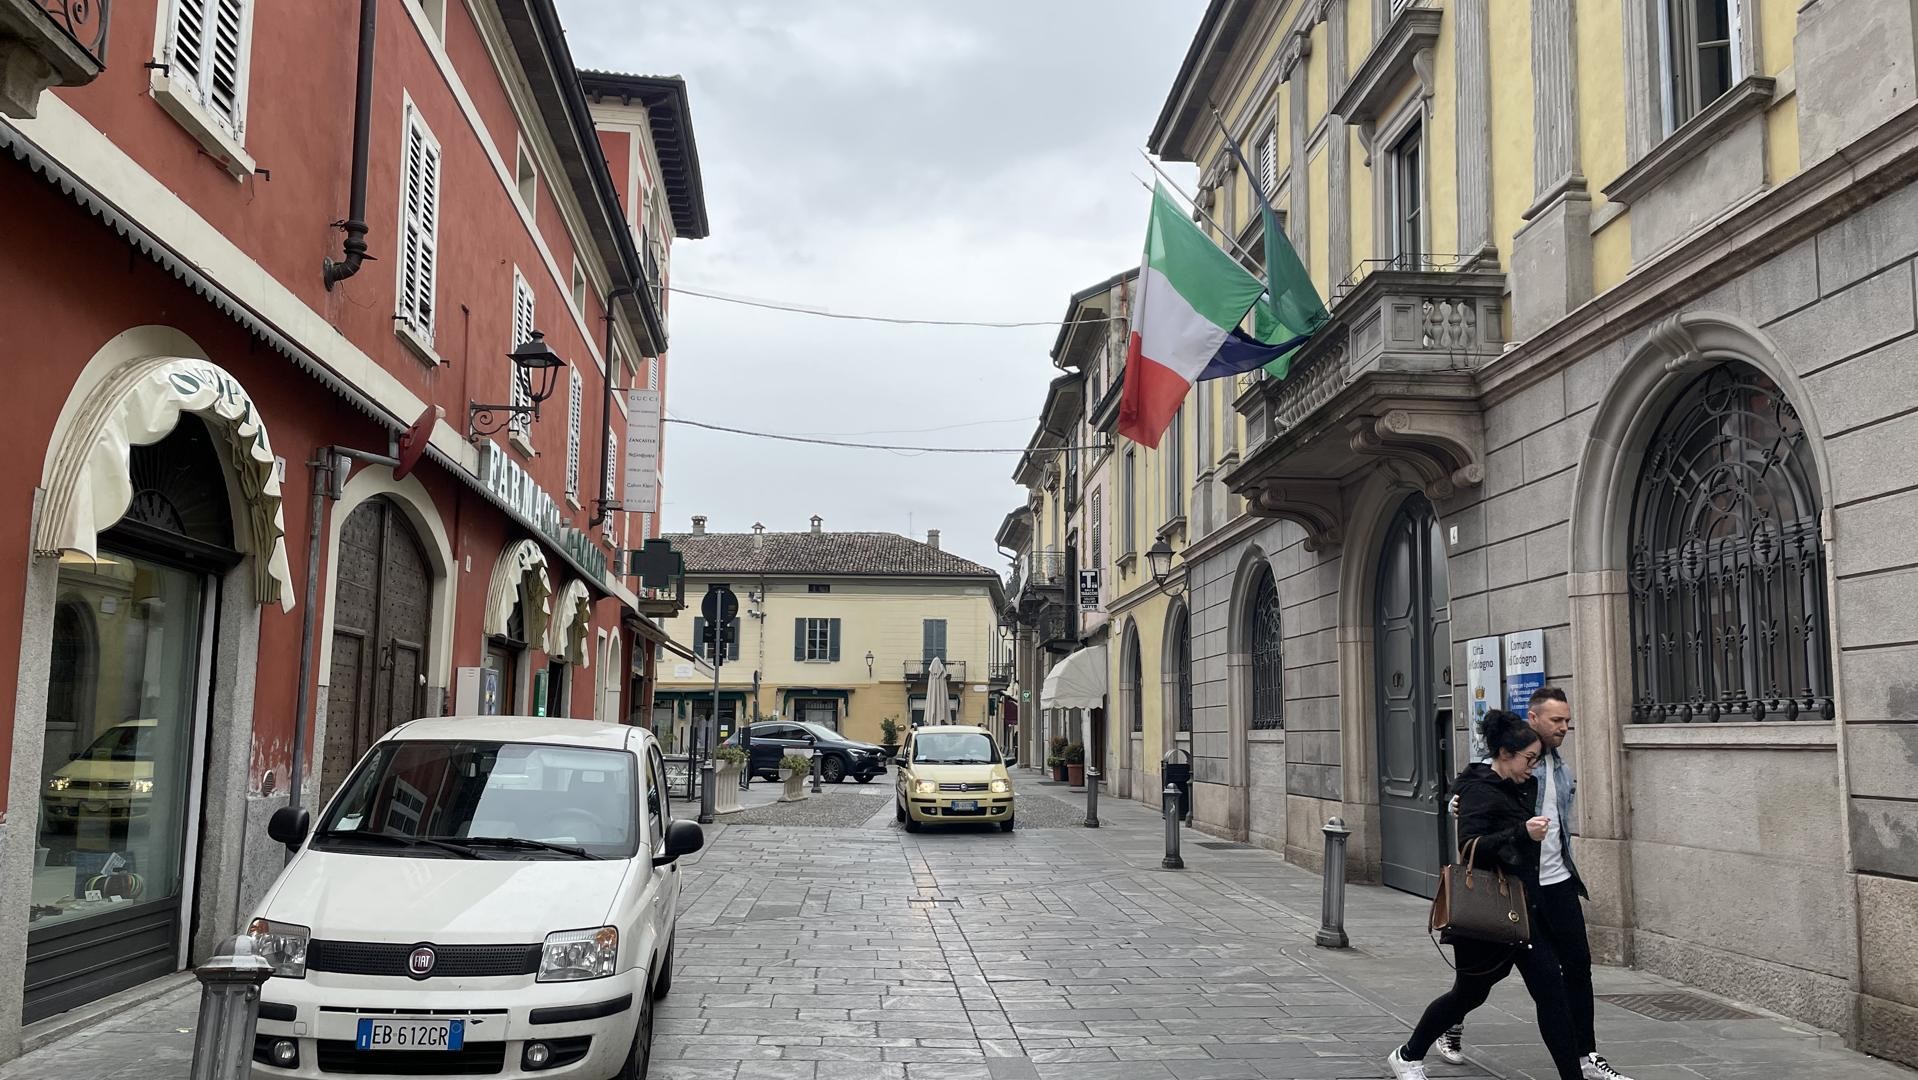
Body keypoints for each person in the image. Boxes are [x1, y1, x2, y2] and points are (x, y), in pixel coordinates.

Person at [1436, 687, 1634, 1080]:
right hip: (1517, 885)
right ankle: (1451, 1025)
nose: (1564, 727)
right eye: (1556, 720)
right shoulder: (1513, 762)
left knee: (1577, 965)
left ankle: (1586, 1055)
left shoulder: (1558, 766)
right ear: (1533, 719)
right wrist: (1456, 802)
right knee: (1483, 976)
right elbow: (1472, 789)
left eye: (1567, 719)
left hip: (1557, 880)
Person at [1386, 709, 1581, 1080]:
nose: (1533, 767)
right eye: (1529, 759)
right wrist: (1522, 833)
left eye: (1537, 760)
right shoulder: (1478, 789)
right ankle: (1408, 1054)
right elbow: (1471, 845)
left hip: (1523, 908)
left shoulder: (1526, 785)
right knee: (1469, 993)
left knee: (1551, 992)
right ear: (1505, 753)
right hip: (1487, 908)